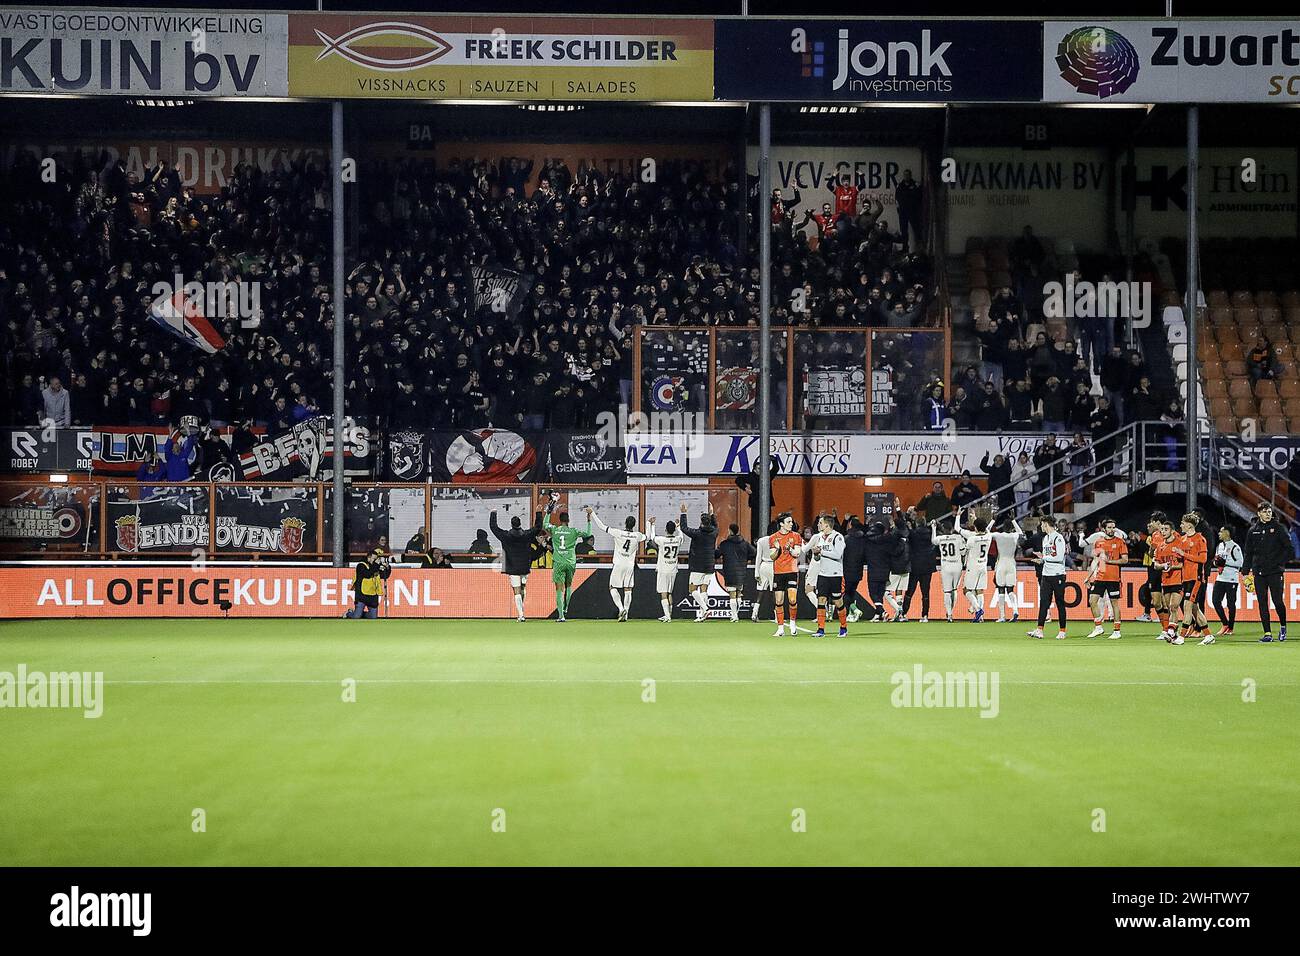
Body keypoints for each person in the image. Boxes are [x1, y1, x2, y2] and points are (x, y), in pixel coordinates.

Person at [588, 507, 646, 623]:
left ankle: (621, 609)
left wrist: (592, 513)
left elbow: (601, 526)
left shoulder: (618, 533)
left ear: (625, 523)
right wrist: (650, 524)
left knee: (612, 587)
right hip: (630, 565)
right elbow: (648, 536)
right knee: (628, 589)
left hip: (618, 564)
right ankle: (626, 612)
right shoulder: (637, 535)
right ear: (634, 525)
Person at [1242, 502, 1289, 642]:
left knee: (1278, 601)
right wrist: (1245, 572)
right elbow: (1248, 553)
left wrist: (1279, 562)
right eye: (1264, 511)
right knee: (1262, 602)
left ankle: (1283, 626)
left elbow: (1289, 549)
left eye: (1269, 511)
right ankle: (1267, 633)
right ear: (1259, 513)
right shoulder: (1253, 530)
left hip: (1275, 572)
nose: (1268, 514)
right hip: (1259, 573)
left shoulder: (1279, 528)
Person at [490, 509, 543, 622]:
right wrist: (538, 513)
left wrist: (493, 513)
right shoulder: (527, 535)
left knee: (516, 591)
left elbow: (493, 527)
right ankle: (521, 612)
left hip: (512, 567)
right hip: (524, 566)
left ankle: (521, 615)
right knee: (523, 588)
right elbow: (538, 527)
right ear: (520, 524)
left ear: (511, 524)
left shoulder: (505, 536)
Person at [1026, 515, 1068, 640]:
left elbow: (1059, 557)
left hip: (1057, 575)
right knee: (1044, 603)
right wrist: (1041, 560)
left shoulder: (1058, 538)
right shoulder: (1045, 539)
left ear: (1046, 524)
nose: (1041, 526)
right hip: (1046, 575)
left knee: (1060, 603)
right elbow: (1049, 556)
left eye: (1042, 524)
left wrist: (1044, 558)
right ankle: (1039, 630)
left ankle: (1062, 631)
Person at [548, 505, 592, 623]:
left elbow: (544, 525)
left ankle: (561, 615)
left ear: (560, 520)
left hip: (558, 562)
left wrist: (548, 513)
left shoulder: (555, 530)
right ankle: (566, 607)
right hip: (571, 562)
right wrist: (589, 520)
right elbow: (588, 533)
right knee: (568, 586)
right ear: (568, 521)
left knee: (558, 588)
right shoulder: (573, 531)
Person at [1085, 518, 1128, 640]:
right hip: (1100, 577)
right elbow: (1096, 560)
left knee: (1114, 603)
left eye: (1113, 527)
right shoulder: (1098, 542)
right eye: (1109, 527)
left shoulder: (1120, 542)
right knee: (1092, 601)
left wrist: (1110, 561)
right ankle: (1098, 627)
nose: (1112, 529)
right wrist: (1088, 577)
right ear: (1104, 529)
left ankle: (1117, 630)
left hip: (1113, 578)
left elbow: (1125, 560)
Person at [1171, 513, 1210, 645]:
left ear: (1189, 525)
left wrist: (1184, 554)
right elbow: (1181, 559)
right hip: (1185, 578)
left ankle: (1181, 637)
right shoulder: (1182, 539)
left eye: (1182, 523)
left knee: (1187, 606)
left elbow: (1203, 559)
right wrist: (1176, 556)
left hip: (1196, 578)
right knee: (1194, 609)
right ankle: (1208, 635)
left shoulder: (1200, 539)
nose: (1180, 525)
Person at [679, 501, 719, 623]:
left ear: (701, 522)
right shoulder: (714, 532)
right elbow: (715, 525)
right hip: (709, 565)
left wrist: (683, 513)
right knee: (704, 589)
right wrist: (712, 514)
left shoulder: (697, 534)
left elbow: (683, 528)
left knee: (692, 589)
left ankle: (705, 609)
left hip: (697, 565)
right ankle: (702, 615)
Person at [768, 513, 803, 637]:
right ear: (781, 524)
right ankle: (780, 628)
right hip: (778, 572)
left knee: (792, 599)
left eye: (791, 522)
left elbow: (797, 553)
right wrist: (778, 549)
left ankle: (793, 623)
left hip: (792, 571)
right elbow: (772, 556)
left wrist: (790, 549)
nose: (791, 524)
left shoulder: (796, 536)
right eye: (788, 522)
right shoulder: (773, 538)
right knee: (779, 600)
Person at [956, 508, 993, 622]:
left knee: (966, 590)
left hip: (972, 568)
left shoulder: (971, 539)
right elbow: (986, 529)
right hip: (983, 567)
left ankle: (978, 610)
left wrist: (958, 516)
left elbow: (957, 530)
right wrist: (976, 519)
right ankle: (980, 617)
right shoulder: (989, 537)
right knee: (980, 590)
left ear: (975, 528)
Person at [1208, 526, 1244, 641]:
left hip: (1231, 579)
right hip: (1220, 577)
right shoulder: (1220, 546)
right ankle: (1225, 623)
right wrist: (1216, 562)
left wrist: (1226, 562)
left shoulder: (1235, 547)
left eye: (1221, 531)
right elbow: (1217, 560)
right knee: (1215, 601)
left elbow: (1240, 563)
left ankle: (1230, 627)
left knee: (1230, 603)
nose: (1219, 533)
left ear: (1227, 533)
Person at [647, 516, 684, 623]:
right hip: (673, 570)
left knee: (663, 593)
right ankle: (668, 614)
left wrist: (652, 525)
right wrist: (679, 527)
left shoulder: (661, 540)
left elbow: (652, 537)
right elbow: (681, 535)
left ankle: (667, 616)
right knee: (669, 593)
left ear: (666, 530)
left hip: (663, 569)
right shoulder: (678, 540)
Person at [716, 524, 756, 624]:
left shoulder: (725, 544)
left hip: (729, 571)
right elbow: (754, 552)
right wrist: (746, 559)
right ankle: (736, 614)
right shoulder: (745, 543)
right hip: (741, 570)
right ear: (738, 531)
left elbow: (716, 554)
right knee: (738, 593)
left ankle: (734, 616)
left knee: (732, 593)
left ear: (729, 531)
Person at [901, 512, 935, 623]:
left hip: (915, 567)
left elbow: (905, 526)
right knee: (925, 593)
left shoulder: (913, 534)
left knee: (909, 592)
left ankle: (904, 614)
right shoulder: (930, 534)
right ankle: (925, 615)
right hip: (927, 567)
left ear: (917, 523)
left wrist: (899, 510)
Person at [932, 516, 966, 624]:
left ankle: (949, 615)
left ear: (944, 529)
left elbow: (933, 541)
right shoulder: (958, 537)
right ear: (952, 529)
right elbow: (963, 552)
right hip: (957, 565)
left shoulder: (941, 538)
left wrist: (933, 528)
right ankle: (952, 610)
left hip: (946, 566)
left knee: (947, 592)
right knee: (954, 590)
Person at [990, 516, 1022, 623]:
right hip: (1011, 564)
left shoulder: (998, 535)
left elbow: (985, 532)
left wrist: (993, 520)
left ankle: (1002, 616)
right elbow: (1021, 533)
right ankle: (1015, 611)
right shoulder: (1014, 535)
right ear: (1011, 528)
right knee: (1010, 590)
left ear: (1003, 527)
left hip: (1001, 564)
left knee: (1001, 589)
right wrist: (1014, 520)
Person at [344, 547, 391, 619]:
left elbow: (385, 575)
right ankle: (349, 613)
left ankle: (360, 613)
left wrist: (387, 567)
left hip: (372, 594)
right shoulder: (361, 565)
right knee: (357, 616)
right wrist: (376, 565)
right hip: (361, 594)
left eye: (376, 559)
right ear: (369, 558)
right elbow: (367, 574)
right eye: (374, 559)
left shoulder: (375, 566)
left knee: (373, 617)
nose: (375, 561)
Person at [882, 513, 911, 622]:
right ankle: (900, 615)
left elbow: (895, 551)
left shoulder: (894, 536)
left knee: (886, 591)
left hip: (895, 568)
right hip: (906, 567)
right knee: (899, 591)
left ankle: (898, 609)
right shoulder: (907, 534)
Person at [1011, 452, 1035, 518]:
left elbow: (1035, 479)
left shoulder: (1031, 466)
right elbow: (1012, 479)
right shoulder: (1016, 467)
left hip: (1026, 490)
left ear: (1026, 458)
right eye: (1021, 458)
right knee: (1019, 509)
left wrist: (1028, 474)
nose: (1022, 460)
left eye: (1024, 458)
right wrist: (1021, 474)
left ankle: (1024, 525)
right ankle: (1019, 525)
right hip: (1018, 490)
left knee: (1025, 509)